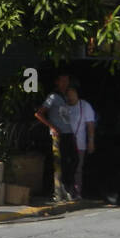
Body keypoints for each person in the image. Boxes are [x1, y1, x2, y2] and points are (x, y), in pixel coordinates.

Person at [36, 72, 76, 202]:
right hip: (58, 134)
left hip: (69, 133)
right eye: (62, 81)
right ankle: (59, 191)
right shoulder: (53, 97)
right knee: (60, 163)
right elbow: (39, 114)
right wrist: (51, 126)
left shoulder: (67, 96)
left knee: (72, 160)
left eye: (67, 81)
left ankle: (69, 187)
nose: (65, 83)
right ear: (57, 82)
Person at [65, 85, 96, 200]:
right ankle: (68, 191)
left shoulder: (85, 106)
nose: (71, 96)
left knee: (77, 168)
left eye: (73, 93)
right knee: (66, 167)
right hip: (66, 142)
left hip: (80, 143)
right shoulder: (63, 106)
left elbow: (90, 125)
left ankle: (77, 192)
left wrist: (91, 141)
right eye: (68, 94)